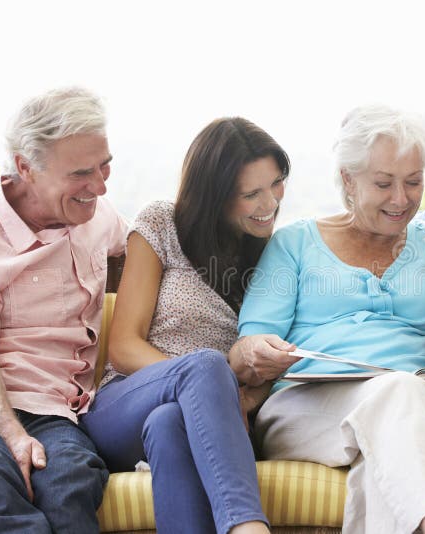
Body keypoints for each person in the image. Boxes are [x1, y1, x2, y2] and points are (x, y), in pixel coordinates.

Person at [229, 104, 425, 534]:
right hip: (307, 408)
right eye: (384, 183)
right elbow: (247, 348)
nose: (401, 199)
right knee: (401, 392)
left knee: (385, 453)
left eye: (414, 181)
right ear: (348, 178)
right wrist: (255, 353)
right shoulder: (296, 243)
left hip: (423, 411)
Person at [80, 117, 288, 534]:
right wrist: (202, 382)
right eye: (251, 194)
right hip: (125, 402)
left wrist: (239, 401)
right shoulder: (162, 224)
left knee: (169, 423)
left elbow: (280, 356)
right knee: (206, 366)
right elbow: (123, 346)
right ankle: (248, 527)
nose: (270, 204)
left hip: (205, 420)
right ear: (215, 196)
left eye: (277, 183)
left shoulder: (276, 256)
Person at [0, 87, 127, 533]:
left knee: (69, 479)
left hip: (53, 406)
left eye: (105, 166)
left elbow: (148, 258)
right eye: (82, 173)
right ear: (26, 166)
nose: (100, 187)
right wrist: (11, 435)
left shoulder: (98, 215)